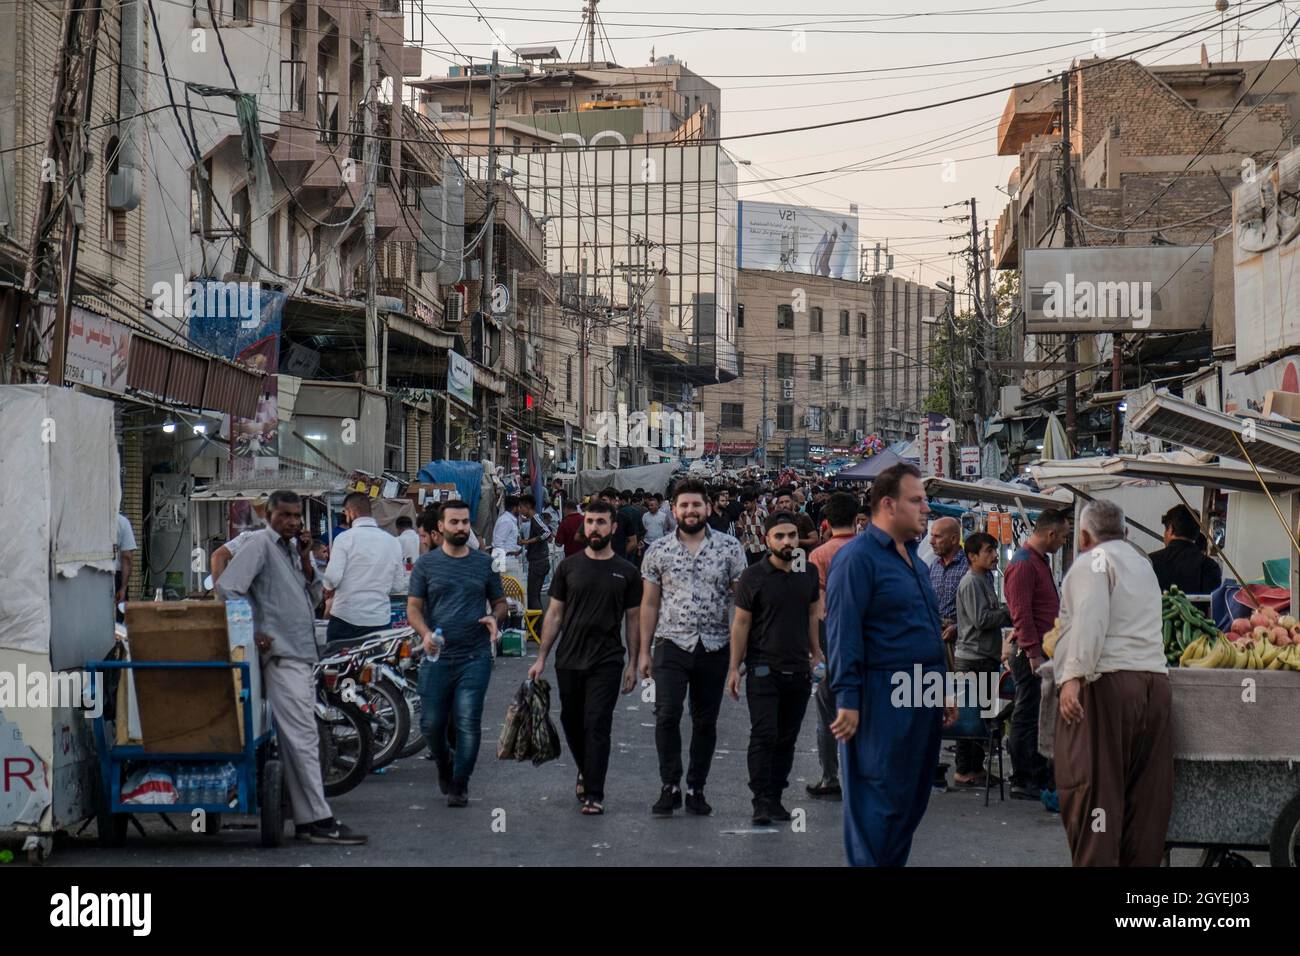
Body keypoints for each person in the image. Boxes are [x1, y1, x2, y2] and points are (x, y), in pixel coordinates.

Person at [217, 490, 366, 845]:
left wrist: (307, 561)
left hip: (300, 652)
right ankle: (319, 819)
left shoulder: (292, 551)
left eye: (297, 516)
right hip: (282, 655)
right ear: (268, 516)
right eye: (285, 515)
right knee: (303, 737)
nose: (293, 522)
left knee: (296, 739)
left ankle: (307, 820)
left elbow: (313, 597)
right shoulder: (259, 545)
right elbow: (229, 589)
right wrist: (254, 631)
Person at [826, 463, 954, 867]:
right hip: (880, 694)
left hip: (922, 692)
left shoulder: (914, 561)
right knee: (877, 803)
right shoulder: (857, 559)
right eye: (916, 500)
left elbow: (929, 631)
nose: (926, 509)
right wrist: (847, 697)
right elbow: (843, 631)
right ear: (887, 504)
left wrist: (943, 689)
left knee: (909, 801)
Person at [1054, 499, 1172, 866]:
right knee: (1145, 803)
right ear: (1126, 532)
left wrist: (1073, 676)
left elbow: (1091, 617)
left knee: (1095, 795)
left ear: (1084, 536)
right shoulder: (1142, 564)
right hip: (1154, 686)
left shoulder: (1092, 562)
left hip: (1108, 686)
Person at [639, 478, 747, 816]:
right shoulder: (658, 551)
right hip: (671, 643)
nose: (690, 510)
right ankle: (669, 785)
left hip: (714, 646)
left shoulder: (730, 548)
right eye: (683, 505)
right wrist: (643, 651)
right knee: (667, 714)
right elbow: (649, 604)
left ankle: (696, 787)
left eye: (696, 505)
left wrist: (738, 659)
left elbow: (742, 605)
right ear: (674, 510)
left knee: (705, 721)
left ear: (708, 508)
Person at [528, 500, 643, 814]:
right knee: (571, 720)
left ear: (613, 527)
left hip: (607, 659)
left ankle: (594, 792)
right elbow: (554, 615)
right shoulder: (568, 567)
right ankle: (585, 767)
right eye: (590, 521)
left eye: (601, 522)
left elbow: (634, 620)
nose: (595, 527)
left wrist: (633, 663)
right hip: (569, 658)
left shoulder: (627, 572)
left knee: (597, 723)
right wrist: (541, 658)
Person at [407, 500, 508, 807]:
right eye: (455, 522)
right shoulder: (426, 565)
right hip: (437, 656)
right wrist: (425, 635)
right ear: (440, 527)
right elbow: (413, 608)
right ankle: (444, 764)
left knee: (467, 721)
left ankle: (460, 784)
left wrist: (496, 617)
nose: (462, 527)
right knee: (431, 724)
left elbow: (501, 602)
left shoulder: (484, 563)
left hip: (474, 656)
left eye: (465, 522)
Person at [728, 512, 823, 825]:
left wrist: (816, 652)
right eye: (780, 536)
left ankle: (775, 796)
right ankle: (760, 799)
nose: (787, 541)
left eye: (792, 535)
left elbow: (812, 616)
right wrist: (733, 667)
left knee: (787, 738)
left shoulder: (807, 572)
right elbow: (741, 623)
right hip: (762, 668)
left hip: (798, 669)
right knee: (765, 734)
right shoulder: (753, 576)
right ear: (767, 540)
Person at [1004, 508, 1071, 804]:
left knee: (1037, 713)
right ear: (1051, 534)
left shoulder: (1037, 562)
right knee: (1027, 714)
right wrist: (1032, 653)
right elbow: (1021, 614)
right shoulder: (1023, 564)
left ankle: (1036, 773)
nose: (1064, 543)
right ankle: (1023, 777)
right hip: (1031, 653)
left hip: (1042, 650)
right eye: (1064, 537)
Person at [805, 491, 859, 799]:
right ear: (856, 519)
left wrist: (817, 652)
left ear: (826, 522)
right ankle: (861, 776)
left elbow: (817, 608)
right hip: (867, 644)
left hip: (832, 642)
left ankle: (830, 777)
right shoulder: (871, 550)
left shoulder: (819, 555)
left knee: (827, 713)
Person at [952, 532, 1010, 788]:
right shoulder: (971, 582)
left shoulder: (984, 578)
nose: (994, 555)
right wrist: (1009, 613)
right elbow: (982, 619)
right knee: (970, 718)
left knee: (981, 715)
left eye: (994, 550)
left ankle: (975, 768)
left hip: (984, 657)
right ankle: (965, 770)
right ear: (972, 556)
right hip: (973, 658)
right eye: (988, 550)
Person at [321, 492, 408, 644]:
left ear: (351, 512)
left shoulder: (344, 539)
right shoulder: (393, 542)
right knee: (375, 666)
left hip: (345, 620)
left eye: (345, 513)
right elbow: (398, 585)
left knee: (338, 666)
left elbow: (332, 579)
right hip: (379, 621)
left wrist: (327, 586)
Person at [926, 515, 968, 791]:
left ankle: (966, 759)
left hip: (958, 642)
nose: (932, 541)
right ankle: (932, 757)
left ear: (954, 538)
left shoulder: (968, 567)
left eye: (938, 536)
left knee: (958, 696)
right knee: (930, 694)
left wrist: (956, 626)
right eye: (932, 536)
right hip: (933, 636)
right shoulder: (932, 566)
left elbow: (973, 609)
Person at [1150, 505, 1222, 595]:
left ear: (1171, 529)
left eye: (1166, 529)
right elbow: (1212, 604)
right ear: (1196, 532)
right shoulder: (1209, 566)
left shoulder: (1150, 561)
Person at [517, 494, 551, 612]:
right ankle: (538, 627)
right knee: (534, 596)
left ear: (528, 506)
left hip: (538, 563)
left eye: (521, 507)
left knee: (533, 597)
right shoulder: (533, 519)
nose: (520, 510)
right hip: (538, 561)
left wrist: (527, 541)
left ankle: (539, 628)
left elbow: (547, 533)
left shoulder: (536, 518)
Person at [737, 492, 768, 566]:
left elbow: (768, 529)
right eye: (743, 504)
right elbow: (740, 531)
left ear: (753, 502)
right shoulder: (742, 515)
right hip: (748, 549)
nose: (745, 505)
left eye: (747, 503)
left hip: (761, 548)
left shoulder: (762, 514)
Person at [115, 512, 137, 610]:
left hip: (86, 574)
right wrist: (123, 588)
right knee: (117, 618)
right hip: (114, 577)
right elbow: (127, 557)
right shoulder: (121, 522)